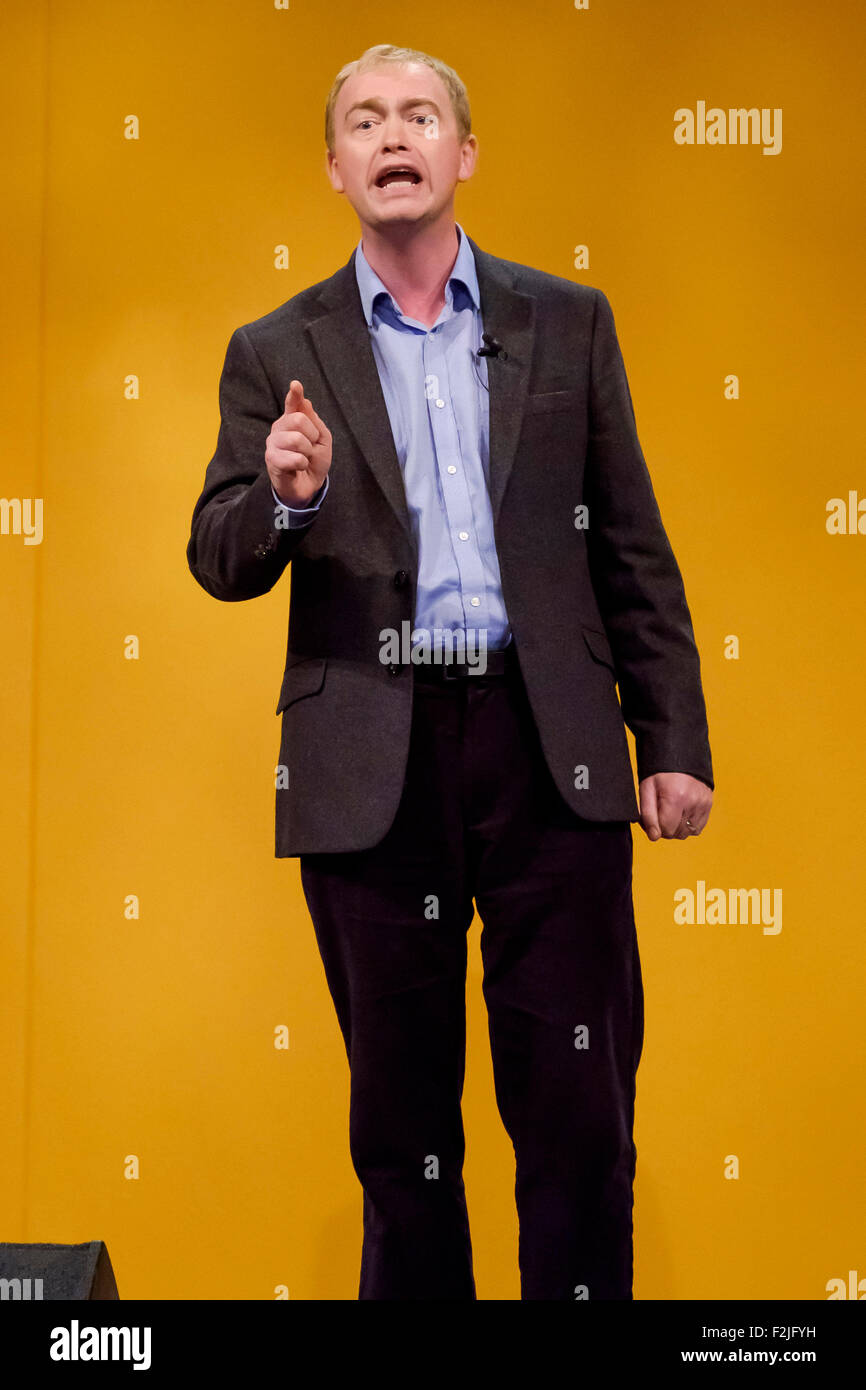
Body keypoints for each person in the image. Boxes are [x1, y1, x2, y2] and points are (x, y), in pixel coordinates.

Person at [186, 43, 714, 1300]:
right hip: (375, 764)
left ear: (462, 152)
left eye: (418, 115)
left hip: (549, 753)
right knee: (404, 1146)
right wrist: (285, 495)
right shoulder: (275, 349)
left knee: (579, 1123)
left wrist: (674, 737)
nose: (392, 136)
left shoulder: (564, 322)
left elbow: (628, 539)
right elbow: (217, 554)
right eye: (363, 121)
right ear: (335, 166)